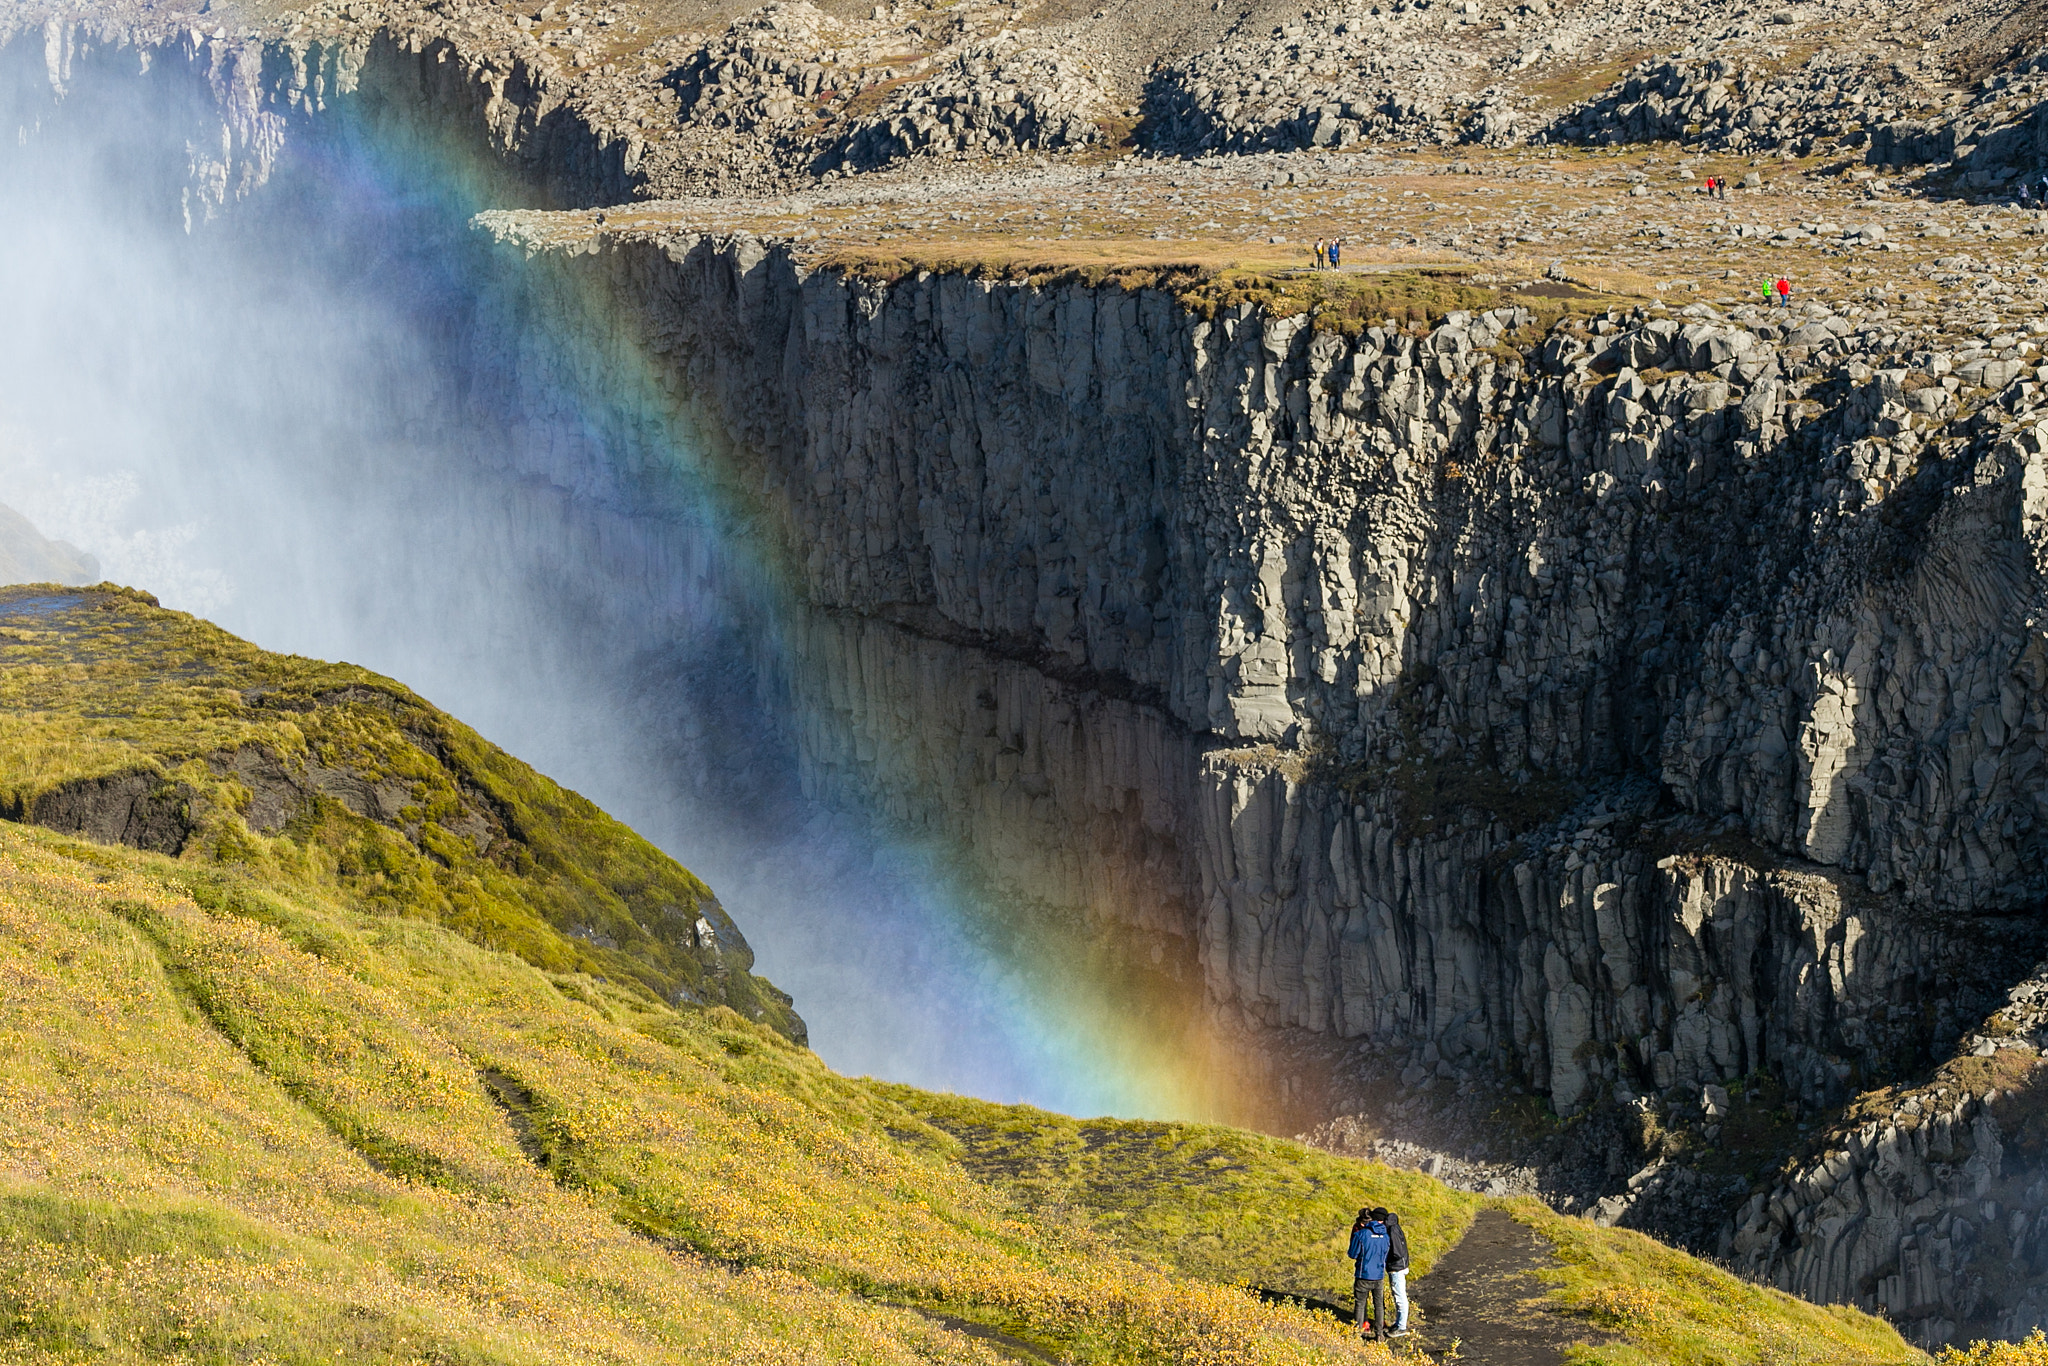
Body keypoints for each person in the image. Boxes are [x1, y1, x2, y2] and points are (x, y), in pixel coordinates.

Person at [1347, 1207, 1391, 1340]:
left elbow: (1352, 1254)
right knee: (1378, 1304)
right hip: (1378, 1275)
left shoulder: (1361, 1234)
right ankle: (1379, 1333)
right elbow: (1386, 1254)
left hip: (1363, 1274)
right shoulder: (1385, 1236)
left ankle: (1358, 1332)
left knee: (1360, 1304)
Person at [1378, 1207, 1412, 1337]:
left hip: (1396, 1267)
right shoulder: (1394, 1226)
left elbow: (1396, 1252)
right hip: (1400, 1266)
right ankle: (1399, 1324)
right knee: (1400, 1295)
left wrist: (1387, 1258)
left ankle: (1401, 1326)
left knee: (1399, 1297)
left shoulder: (1391, 1230)